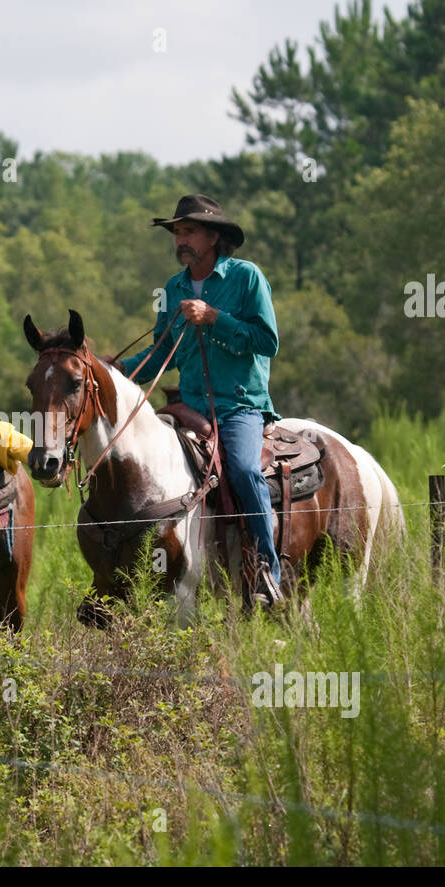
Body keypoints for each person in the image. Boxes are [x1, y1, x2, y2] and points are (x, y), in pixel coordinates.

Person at [115, 194, 284, 606]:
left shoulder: (246, 278)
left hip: (239, 406)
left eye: (188, 231)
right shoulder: (172, 289)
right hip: (187, 406)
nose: (180, 240)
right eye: (176, 233)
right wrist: (115, 370)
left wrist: (215, 318)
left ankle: (267, 572)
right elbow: (159, 354)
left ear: (213, 236)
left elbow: (267, 341)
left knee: (244, 470)